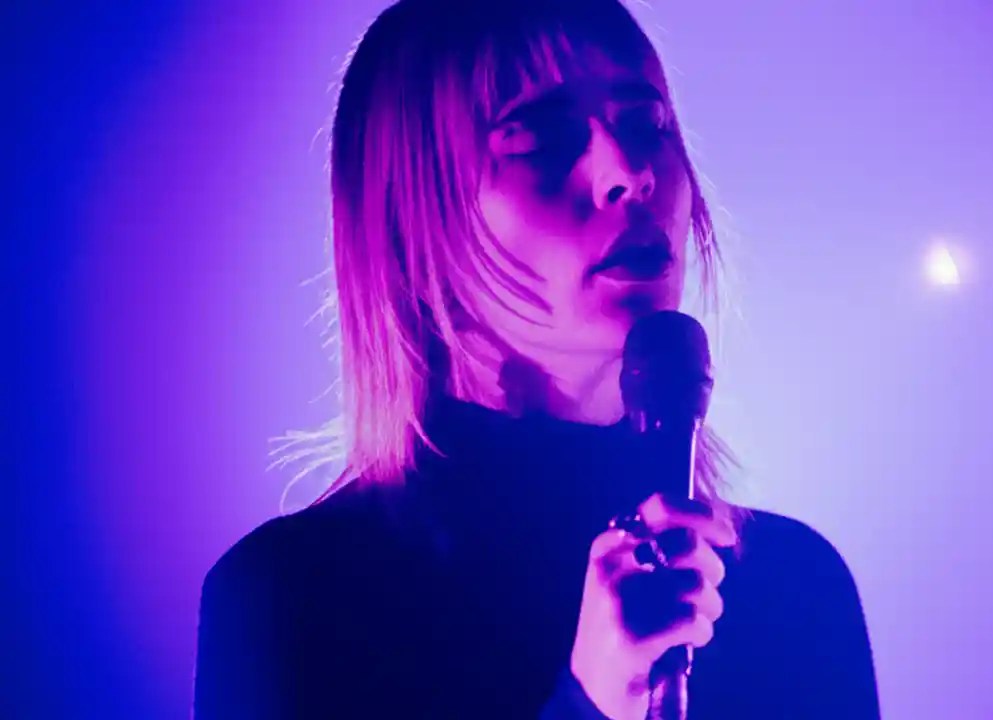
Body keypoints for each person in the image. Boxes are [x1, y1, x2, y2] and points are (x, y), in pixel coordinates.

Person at [193, 1, 880, 718]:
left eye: (647, 126)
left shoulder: (794, 587)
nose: (629, 173)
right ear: (411, 222)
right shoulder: (294, 599)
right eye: (545, 137)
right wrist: (589, 701)